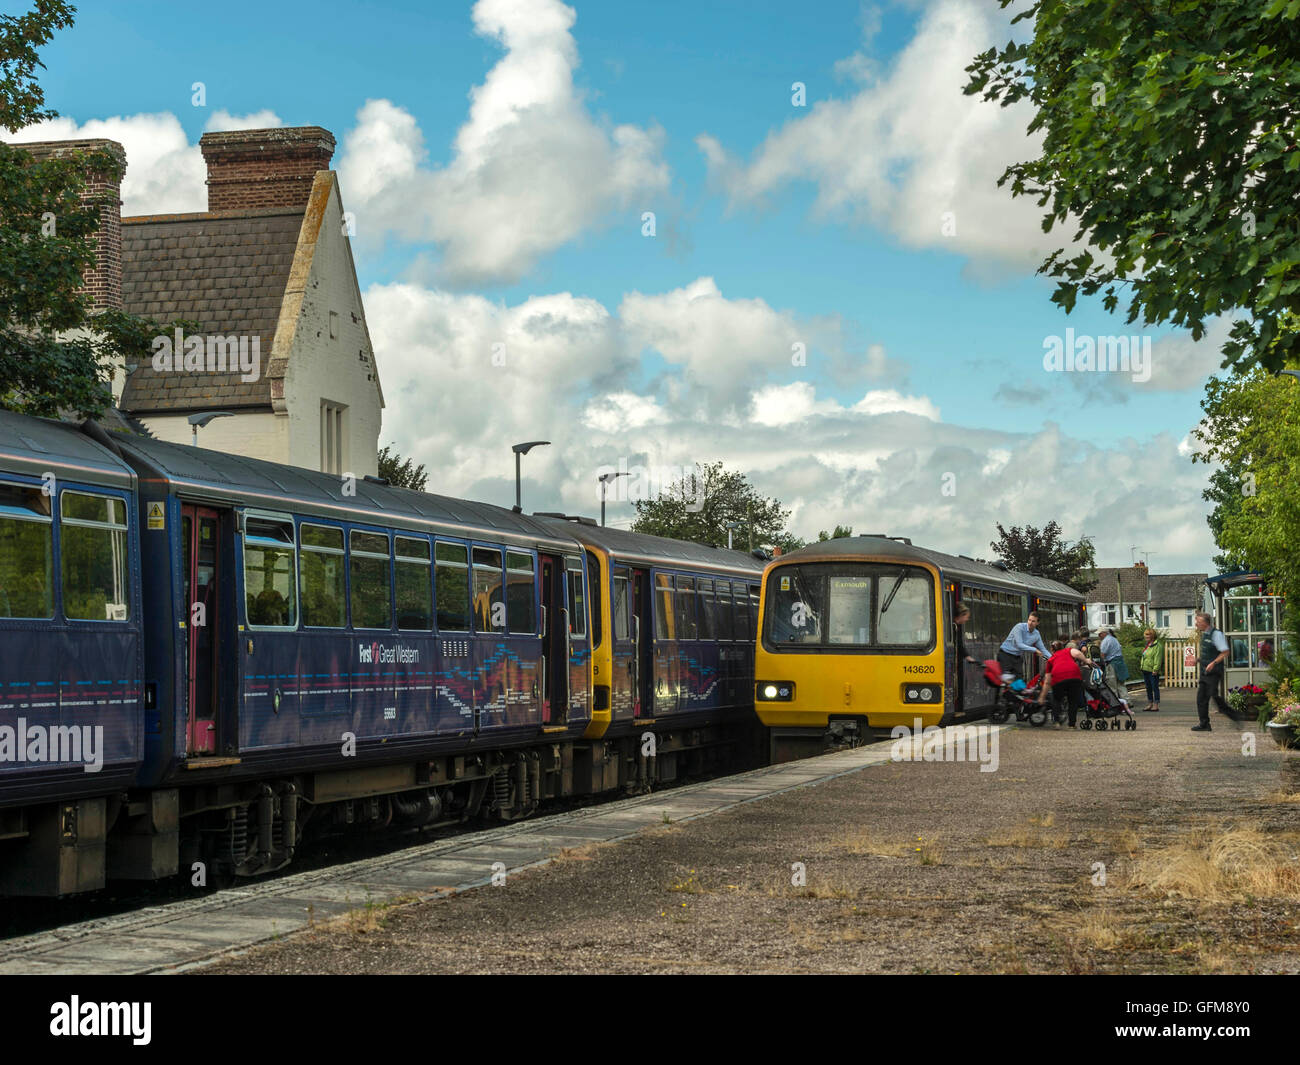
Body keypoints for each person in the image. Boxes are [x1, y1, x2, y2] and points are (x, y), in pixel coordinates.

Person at [1192, 610, 1231, 732]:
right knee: (1201, 698)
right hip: (1205, 671)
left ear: (1205, 623)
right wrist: (1198, 659)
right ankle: (1204, 724)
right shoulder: (1205, 634)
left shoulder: (1216, 634)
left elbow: (1225, 652)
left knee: (1214, 697)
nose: (1196, 624)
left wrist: (1213, 663)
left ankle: (1234, 715)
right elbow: (1209, 653)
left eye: (1198, 622)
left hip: (1214, 671)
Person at [1038, 639, 1089, 728]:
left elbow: (1047, 681)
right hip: (1074, 676)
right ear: (1063, 647)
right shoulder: (1068, 650)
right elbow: (1077, 653)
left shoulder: (1051, 660)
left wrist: (1042, 696)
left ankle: (1057, 722)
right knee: (1073, 701)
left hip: (1058, 678)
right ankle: (1072, 725)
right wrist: (1085, 660)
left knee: (1056, 699)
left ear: (1052, 650)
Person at [998, 612, 1049, 679]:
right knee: (1006, 679)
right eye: (1029, 620)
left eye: (1033, 621)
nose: (1030, 623)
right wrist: (1035, 650)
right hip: (1005, 655)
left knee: (1019, 681)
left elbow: (1043, 650)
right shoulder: (1019, 627)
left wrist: (1053, 659)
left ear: (1038, 623)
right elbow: (1019, 645)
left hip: (1017, 658)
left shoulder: (1036, 634)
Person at [1139, 628, 1163, 711]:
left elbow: (1158, 658)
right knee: (1148, 687)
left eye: (1148, 635)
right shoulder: (1147, 645)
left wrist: (1155, 669)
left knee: (1154, 687)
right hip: (1145, 669)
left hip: (1152, 670)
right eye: (1146, 635)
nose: (1146, 636)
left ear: (1152, 636)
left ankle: (1156, 705)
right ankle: (1150, 704)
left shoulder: (1157, 646)